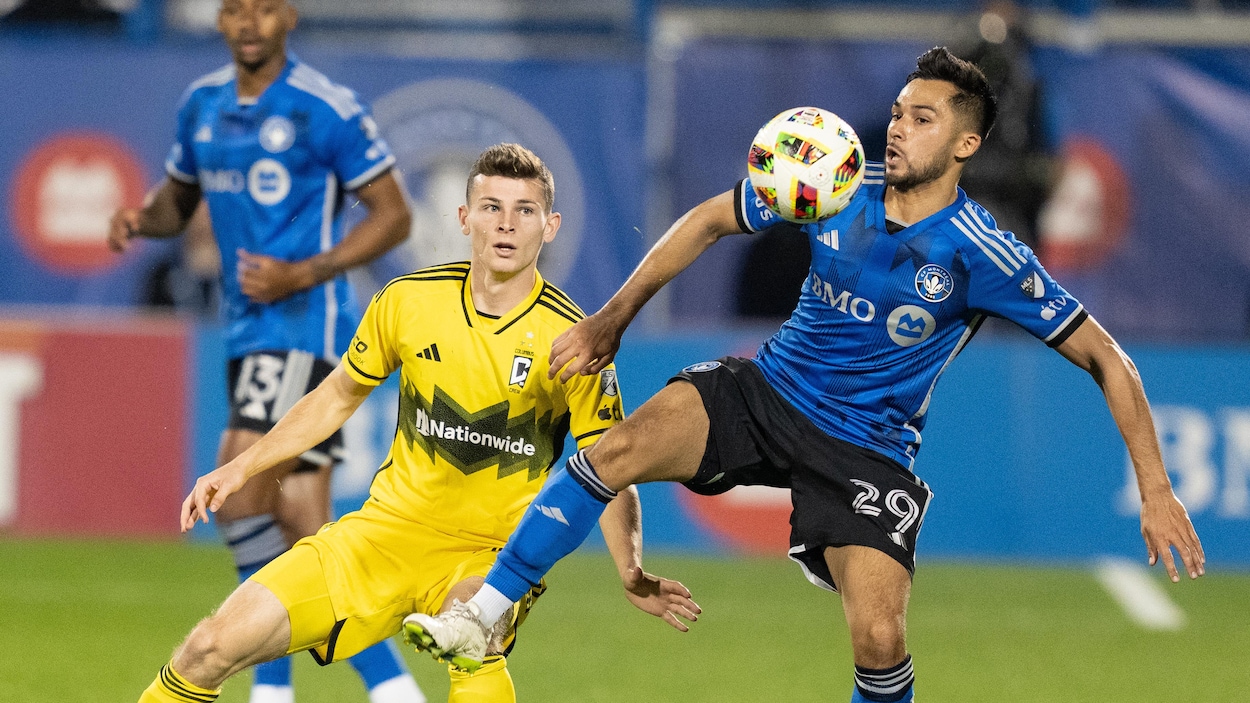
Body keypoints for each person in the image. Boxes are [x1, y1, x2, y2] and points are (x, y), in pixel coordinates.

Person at [404, 48, 1206, 702]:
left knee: (880, 638)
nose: (896, 128)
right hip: (766, 393)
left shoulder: (981, 252)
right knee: (611, 453)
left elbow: (1108, 355)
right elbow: (710, 219)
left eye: (920, 119)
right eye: (896, 111)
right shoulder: (829, 189)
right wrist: (613, 318)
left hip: (867, 450)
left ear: (965, 144)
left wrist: (1157, 487)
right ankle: (485, 611)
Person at [134, 143, 698, 703]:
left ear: (549, 227)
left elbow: (609, 463)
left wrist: (630, 566)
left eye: (524, 210)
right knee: (208, 648)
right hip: (381, 536)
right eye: (491, 207)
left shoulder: (575, 338)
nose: (506, 225)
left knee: (471, 634)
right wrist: (241, 467)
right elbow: (334, 398)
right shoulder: (408, 300)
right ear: (463, 218)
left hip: (492, 555)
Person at [107, 1, 422, 701]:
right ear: (219, 20)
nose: (249, 22)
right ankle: (378, 688)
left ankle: (296, 688)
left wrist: (301, 272)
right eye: (235, 9)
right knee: (303, 518)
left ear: (291, 17)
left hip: (306, 324)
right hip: (246, 331)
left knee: (239, 486)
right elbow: (176, 201)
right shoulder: (202, 105)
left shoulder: (325, 108)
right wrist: (140, 218)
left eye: (265, 8)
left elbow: (395, 214)